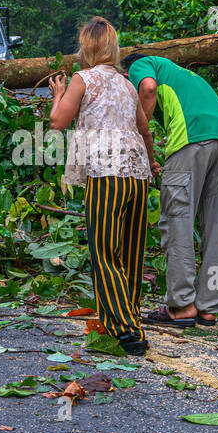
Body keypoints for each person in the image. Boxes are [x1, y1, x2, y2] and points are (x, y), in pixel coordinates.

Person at [49, 18, 155, 358]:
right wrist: (151, 162)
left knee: (104, 252)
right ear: (113, 47)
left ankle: (128, 332)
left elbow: (57, 122)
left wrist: (59, 95)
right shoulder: (126, 84)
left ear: (86, 47)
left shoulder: (82, 79)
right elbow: (144, 128)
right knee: (131, 253)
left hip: (107, 175)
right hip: (137, 175)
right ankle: (126, 318)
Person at [121, 52, 218, 330]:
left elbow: (147, 87)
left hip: (192, 139)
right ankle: (209, 307)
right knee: (217, 227)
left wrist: (140, 129)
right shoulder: (183, 75)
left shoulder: (141, 65)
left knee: (178, 221)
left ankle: (182, 304)